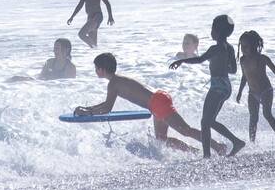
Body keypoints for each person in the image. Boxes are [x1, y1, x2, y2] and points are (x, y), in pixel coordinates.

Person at [74, 53, 217, 155]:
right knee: (161, 139)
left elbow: (107, 108)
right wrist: (88, 109)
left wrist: (88, 112)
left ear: (101, 69)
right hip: (157, 101)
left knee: (186, 130)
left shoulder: (113, 84)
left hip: (158, 103)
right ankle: (195, 152)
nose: (95, 71)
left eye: (96, 68)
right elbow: (106, 104)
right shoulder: (116, 80)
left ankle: (217, 147)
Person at [170, 13, 245, 158]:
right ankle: (234, 143)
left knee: (205, 123)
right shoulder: (229, 48)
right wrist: (221, 67)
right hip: (226, 87)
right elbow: (234, 70)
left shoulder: (215, 48)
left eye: (212, 29)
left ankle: (208, 155)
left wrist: (182, 61)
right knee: (209, 121)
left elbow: (199, 60)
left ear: (217, 31)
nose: (211, 32)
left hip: (217, 87)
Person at [236, 31, 275, 145]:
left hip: (266, 91)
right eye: (242, 46)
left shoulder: (262, 58)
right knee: (253, 118)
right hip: (252, 93)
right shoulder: (243, 60)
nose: (243, 49)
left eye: (246, 46)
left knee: (267, 114)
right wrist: (240, 92)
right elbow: (244, 77)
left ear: (254, 46)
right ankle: (252, 143)